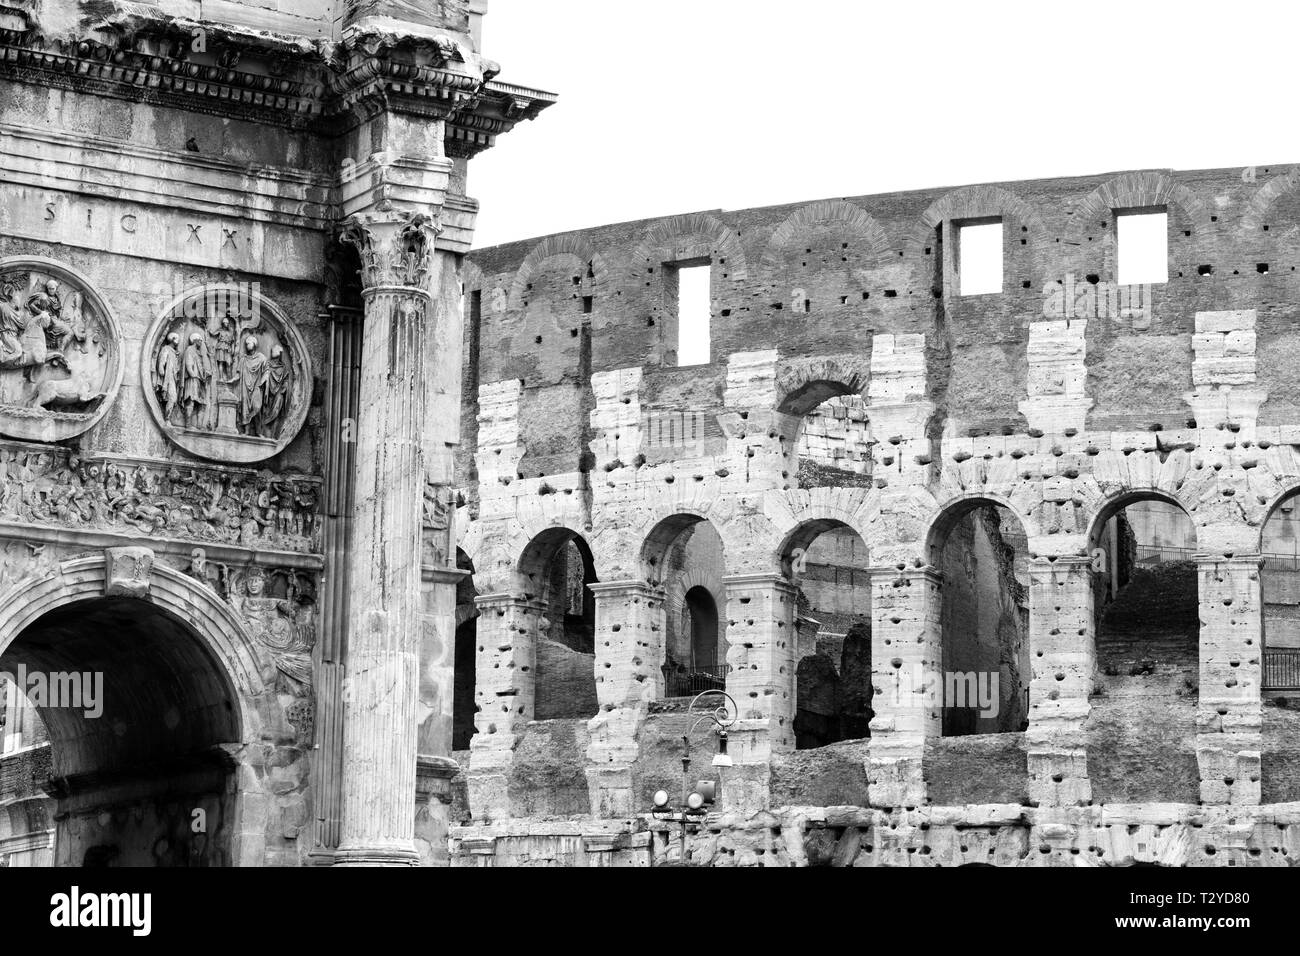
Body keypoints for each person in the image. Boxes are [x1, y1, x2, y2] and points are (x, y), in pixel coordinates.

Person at [234, 334, 268, 436]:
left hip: (257, 386)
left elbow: (266, 371)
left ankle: (258, 431)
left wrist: (262, 381)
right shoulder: (243, 360)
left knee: (257, 407)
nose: (247, 345)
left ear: (254, 344)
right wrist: (231, 380)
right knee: (245, 408)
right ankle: (247, 431)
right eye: (246, 343)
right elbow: (238, 375)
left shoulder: (261, 358)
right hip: (245, 387)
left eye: (249, 343)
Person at [181, 331, 210, 429]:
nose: (201, 342)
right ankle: (188, 424)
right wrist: (193, 375)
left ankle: (200, 426)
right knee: (191, 400)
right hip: (193, 379)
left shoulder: (199, 352)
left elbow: (201, 367)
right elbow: (188, 365)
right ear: (194, 340)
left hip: (200, 380)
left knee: (202, 403)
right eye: (200, 340)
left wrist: (204, 375)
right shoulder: (190, 350)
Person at [155, 331, 182, 423]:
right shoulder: (166, 349)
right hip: (168, 377)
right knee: (172, 398)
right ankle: (167, 419)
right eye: (177, 338)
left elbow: (176, 367)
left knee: (173, 399)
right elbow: (162, 360)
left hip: (173, 377)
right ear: (173, 339)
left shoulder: (174, 352)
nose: (179, 340)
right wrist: (161, 369)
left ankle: (168, 417)